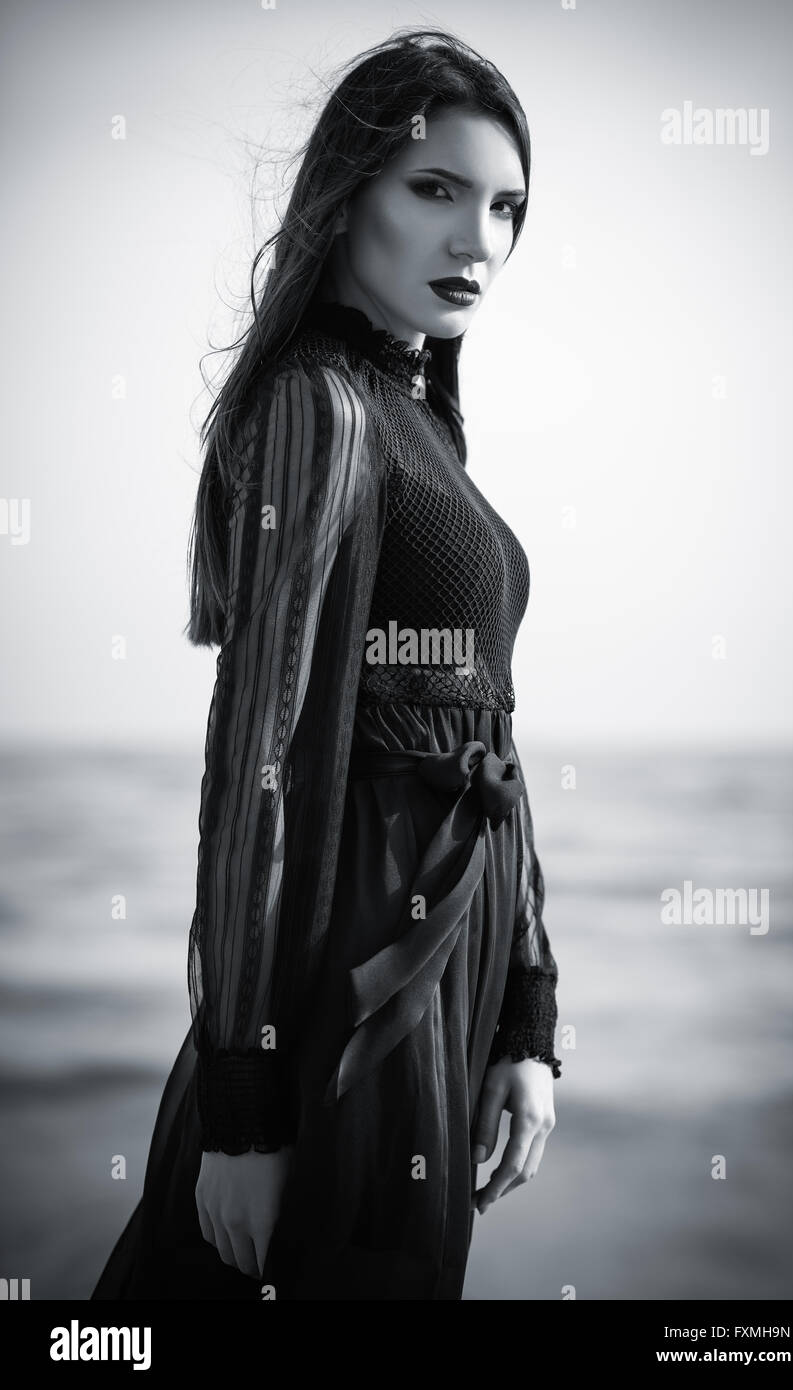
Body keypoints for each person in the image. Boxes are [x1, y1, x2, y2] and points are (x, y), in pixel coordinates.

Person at [91, 26, 560, 1303]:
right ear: (346, 195)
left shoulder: (418, 423)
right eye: (435, 190)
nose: (480, 241)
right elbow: (253, 766)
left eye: (506, 206)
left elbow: (488, 750)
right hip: (355, 1002)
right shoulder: (320, 408)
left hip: (437, 980)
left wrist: (525, 1022)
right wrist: (244, 1109)